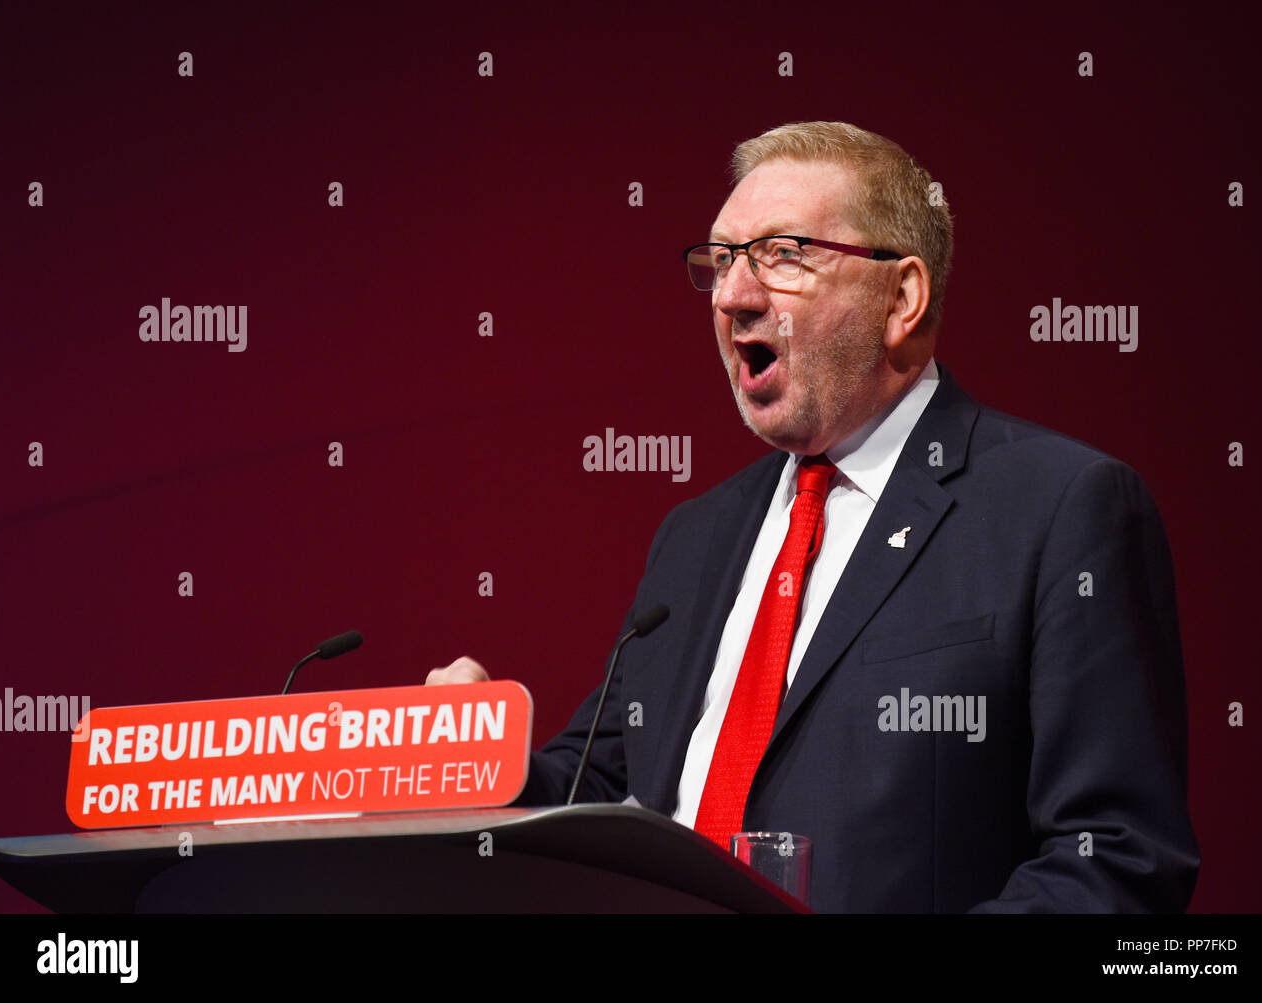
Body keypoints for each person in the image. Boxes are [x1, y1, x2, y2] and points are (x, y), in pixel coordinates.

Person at [427, 121, 1200, 913]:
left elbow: (1116, 862)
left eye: (782, 255)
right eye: (722, 260)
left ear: (901, 296)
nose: (732, 295)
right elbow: (598, 782)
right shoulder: (694, 538)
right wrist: (476, 758)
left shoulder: (1062, 507)